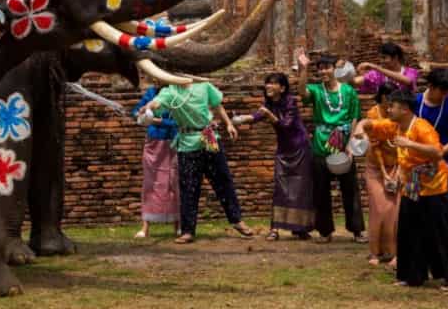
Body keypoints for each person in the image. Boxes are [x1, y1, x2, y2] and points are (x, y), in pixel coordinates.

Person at [354, 90, 448, 290]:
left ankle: (447, 278)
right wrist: (359, 128)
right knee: (409, 230)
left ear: (404, 109)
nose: (389, 109)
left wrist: (410, 143)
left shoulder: (422, 127)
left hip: (434, 185)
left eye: (392, 106)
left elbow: (437, 152)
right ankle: (411, 275)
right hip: (412, 184)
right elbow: (370, 124)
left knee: (437, 232)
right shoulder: (394, 126)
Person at [137, 82, 253, 244]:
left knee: (223, 182)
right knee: (189, 188)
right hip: (186, 144)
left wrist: (228, 124)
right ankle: (187, 231)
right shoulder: (170, 91)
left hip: (209, 139)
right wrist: (147, 107)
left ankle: (237, 221)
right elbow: (157, 103)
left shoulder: (204, 86)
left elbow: (217, 105)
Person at [233, 73, 314, 241]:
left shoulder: (290, 102)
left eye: (273, 83)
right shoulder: (268, 104)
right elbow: (256, 116)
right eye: (267, 83)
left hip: (300, 149)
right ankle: (275, 229)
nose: (268, 86)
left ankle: (299, 229)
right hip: (283, 151)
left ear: (282, 88)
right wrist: (238, 120)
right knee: (280, 188)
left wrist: (269, 115)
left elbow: (285, 125)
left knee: (300, 190)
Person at [296, 52, 366, 244]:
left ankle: (357, 229)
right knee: (321, 189)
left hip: (343, 144)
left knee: (350, 189)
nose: (323, 72)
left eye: (326, 68)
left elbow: (354, 118)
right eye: (319, 69)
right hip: (321, 144)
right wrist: (303, 69)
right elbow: (302, 92)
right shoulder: (317, 90)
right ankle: (325, 231)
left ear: (335, 69)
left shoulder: (349, 92)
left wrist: (351, 145)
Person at [414, 68, 448, 276]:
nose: (444, 96)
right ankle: (419, 263)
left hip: (445, 168)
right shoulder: (415, 102)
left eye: (447, 92)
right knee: (416, 215)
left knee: (447, 217)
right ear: (431, 87)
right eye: (441, 92)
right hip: (415, 170)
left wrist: (437, 152)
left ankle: (447, 264)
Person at [355, 84, 400, 267]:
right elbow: (374, 145)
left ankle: (395, 252)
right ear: (381, 97)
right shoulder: (374, 115)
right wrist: (384, 172)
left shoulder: (400, 117)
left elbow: (403, 146)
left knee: (395, 210)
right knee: (379, 208)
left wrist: (396, 171)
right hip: (376, 167)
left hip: (398, 166)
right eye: (387, 96)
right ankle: (375, 251)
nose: (390, 101)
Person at [131, 82, 180, 239]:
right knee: (150, 183)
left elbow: (180, 121)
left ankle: (179, 225)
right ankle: (145, 227)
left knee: (175, 182)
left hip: (174, 142)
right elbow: (136, 110)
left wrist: (160, 122)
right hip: (153, 144)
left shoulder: (177, 93)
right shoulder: (151, 92)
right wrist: (140, 114)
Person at [353, 42, 420, 94]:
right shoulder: (377, 74)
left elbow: (408, 81)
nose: (381, 61)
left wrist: (375, 67)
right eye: (380, 58)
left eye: (384, 58)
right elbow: (355, 81)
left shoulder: (410, 72)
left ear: (395, 57)